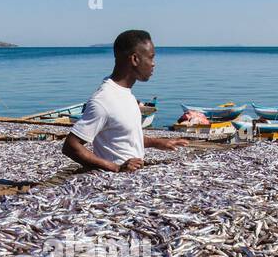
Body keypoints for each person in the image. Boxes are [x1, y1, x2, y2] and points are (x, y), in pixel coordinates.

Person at [62, 30, 190, 173]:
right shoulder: (103, 100)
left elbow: (126, 136)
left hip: (133, 178)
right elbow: (71, 146)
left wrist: (159, 142)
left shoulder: (125, 94)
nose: (153, 64)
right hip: (113, 185)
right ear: (135, 59)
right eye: (151, 58)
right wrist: (115, 167)